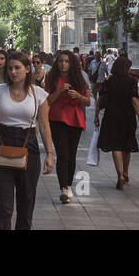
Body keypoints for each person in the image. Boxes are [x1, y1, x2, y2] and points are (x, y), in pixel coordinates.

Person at [0, 50, 54, 230]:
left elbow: (45, 126)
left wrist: (49, 154)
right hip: (3, 145)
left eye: (17, 68)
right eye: (10, 68)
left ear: (27, 69)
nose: (13, 72)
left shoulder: (39, 94)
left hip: (28, 146)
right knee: (4, 206)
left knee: (26, 204)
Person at [44, 49, 90, 204]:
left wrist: (78, 96)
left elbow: (88, 101)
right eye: (60, 61)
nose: (63, 64)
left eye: (66, 61)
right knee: (62, 154)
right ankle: (64, 188)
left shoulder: (78, 79)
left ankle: (69, 185)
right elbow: (48, 101)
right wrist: (59, 91)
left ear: (72, 63)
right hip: (57, 119)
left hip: (75, 120)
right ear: (56, 63)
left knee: (71, 155)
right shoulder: (51, 78)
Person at [96, 55, 139, 189]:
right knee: (127, 145)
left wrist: (96, 115)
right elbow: (134, 100)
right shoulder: (132, 81)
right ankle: (125, 172)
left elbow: (101, 98)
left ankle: (119, 174)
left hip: (111, 116)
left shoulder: (109, 81)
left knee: (115, 146)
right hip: (127, 116)